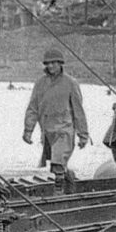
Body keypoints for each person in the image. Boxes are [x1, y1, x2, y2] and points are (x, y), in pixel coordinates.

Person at [23, 47, 89, 193]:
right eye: (47, 63)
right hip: (47, 131)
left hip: (64, 130)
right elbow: (33, 108)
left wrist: (83, 135)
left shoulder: (71, 83)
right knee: (55, 164)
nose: (50, 66)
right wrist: (28, 130)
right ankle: (68, 179)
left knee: (58, 162)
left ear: (60, 63)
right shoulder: (40, 83)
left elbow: (79, 111)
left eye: (54, 63)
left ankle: (58, 193)